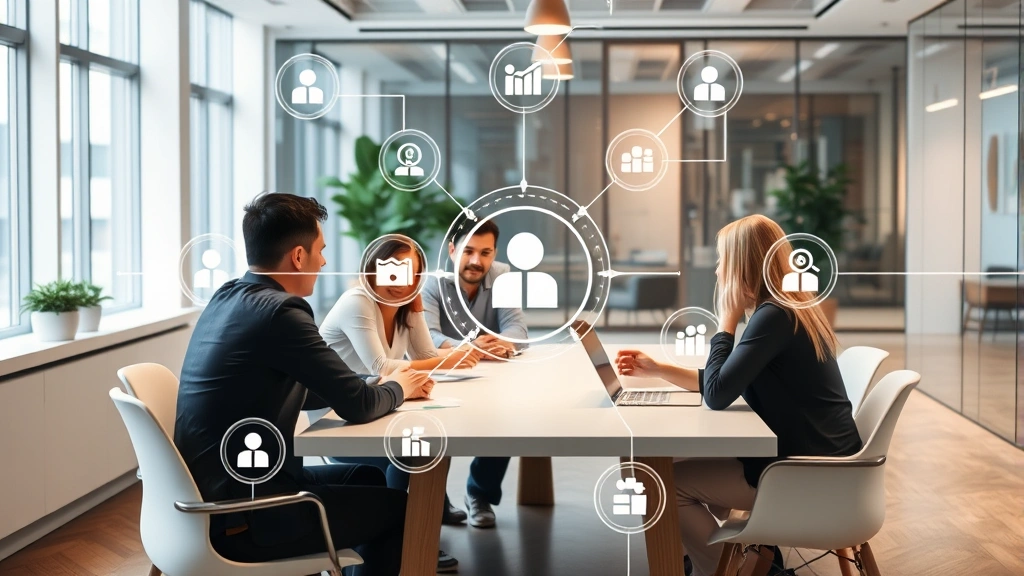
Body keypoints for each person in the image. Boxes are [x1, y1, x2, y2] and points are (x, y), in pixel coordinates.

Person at [174, 193, 433, 576]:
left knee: (368, 477)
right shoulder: (283, 312)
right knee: (405, 511)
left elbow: (312, 387)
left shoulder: (229, 295)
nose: (324, 261)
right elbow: (358, 406)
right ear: (298, 256)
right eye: (320, 250)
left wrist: (376, 381)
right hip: (246, 515)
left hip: (215, 492)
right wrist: (398, 388)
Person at [615, 214, 862, 576]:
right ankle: (746, 560)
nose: (717, 272)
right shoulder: (789, 309)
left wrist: (726, 322)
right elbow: (726, 382)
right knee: (675, 468)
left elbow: (717, 394)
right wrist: (657, 369)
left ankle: (736, 570)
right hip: (822, 463)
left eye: (722, 261)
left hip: (801, 472)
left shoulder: (773, 317)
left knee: (660, 485)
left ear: (742, 266)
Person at [319, 235, 477, 572]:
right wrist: (445, 363)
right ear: (372, 270)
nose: (400, 281)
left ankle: (409, 533)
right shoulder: (357, 302)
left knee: (428, 449)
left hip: (376, 406)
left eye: (411, 273)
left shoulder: (408, 303)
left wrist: (421, 316)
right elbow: (382, 368)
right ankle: (403, 537)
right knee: (413, 451)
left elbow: (424, 356)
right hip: (337, 418)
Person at [420, 219, 528, 528]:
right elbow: (428, 338)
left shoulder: (503, 276)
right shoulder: (432, 282)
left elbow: (517, 328)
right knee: (431, 433)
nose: (476, 261)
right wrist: (472, 346)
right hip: (440, 377)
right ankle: (434, 503)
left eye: (486, 252)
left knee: (506, 420)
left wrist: (503, 343)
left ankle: (479, 493)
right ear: (452, 250)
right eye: (468, 251)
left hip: (490, 377)